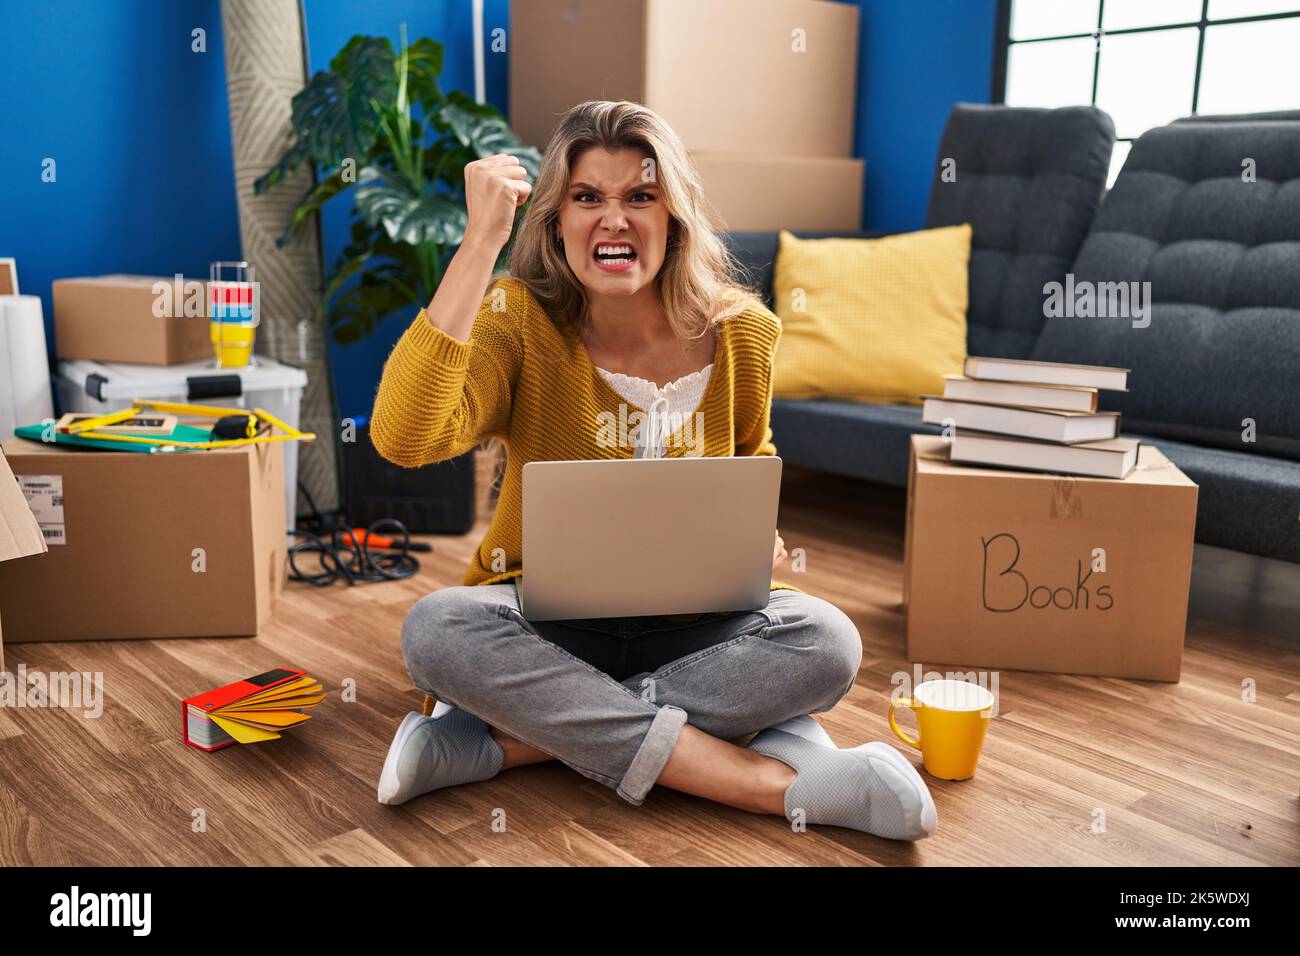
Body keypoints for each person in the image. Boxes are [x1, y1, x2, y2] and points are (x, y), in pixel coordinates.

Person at [369, 100, 936, 840]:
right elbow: (404, 437)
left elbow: (752, 461)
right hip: (543, 622)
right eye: (586, 198)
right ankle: (762, 783)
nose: (614, 219)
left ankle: (512, 743)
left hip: (699, 627)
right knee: (437, 629)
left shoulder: (744, 332)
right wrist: (480, 243)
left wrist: (758, 538)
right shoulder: (519, 321)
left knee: (829, 641)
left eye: (640, 195)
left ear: (673, 215)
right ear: (556, 221)